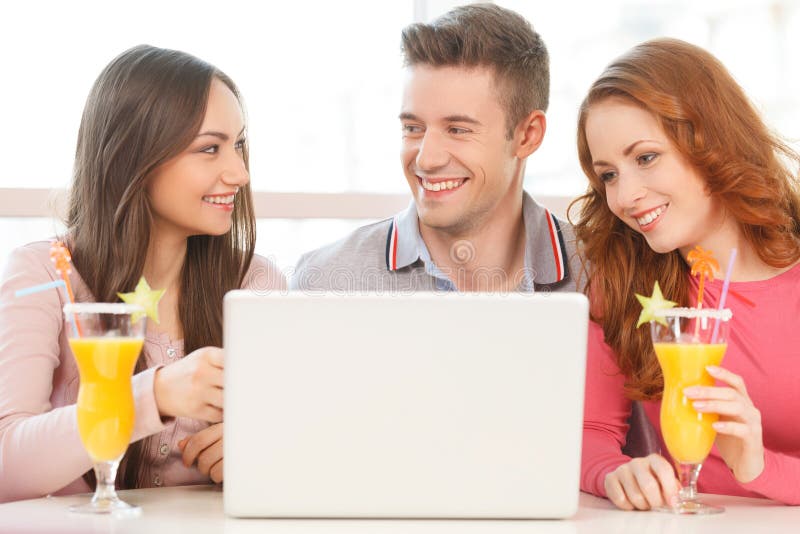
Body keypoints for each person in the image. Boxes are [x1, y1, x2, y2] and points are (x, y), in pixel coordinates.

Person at [0, 45, 284, 503]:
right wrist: (153, 395)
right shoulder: (43, 276)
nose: (239, 173)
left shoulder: (255, 284)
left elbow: (289, 436)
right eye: (209, 149)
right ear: (135, 157)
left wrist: (261, 450)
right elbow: (6, 466)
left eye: (238, 145)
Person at [574, 37, 800, 509]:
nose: (626, 197)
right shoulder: (626, 282)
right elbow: (592, 432)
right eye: (608, 175)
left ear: (710, 141)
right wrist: (615, 472)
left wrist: (760, 467)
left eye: (646, 157)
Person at [292, 3, 579, 294]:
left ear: (528, 136)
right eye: (413, 128)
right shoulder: (325, 281)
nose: (426, 159)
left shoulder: (604, 276)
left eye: (457, 130)